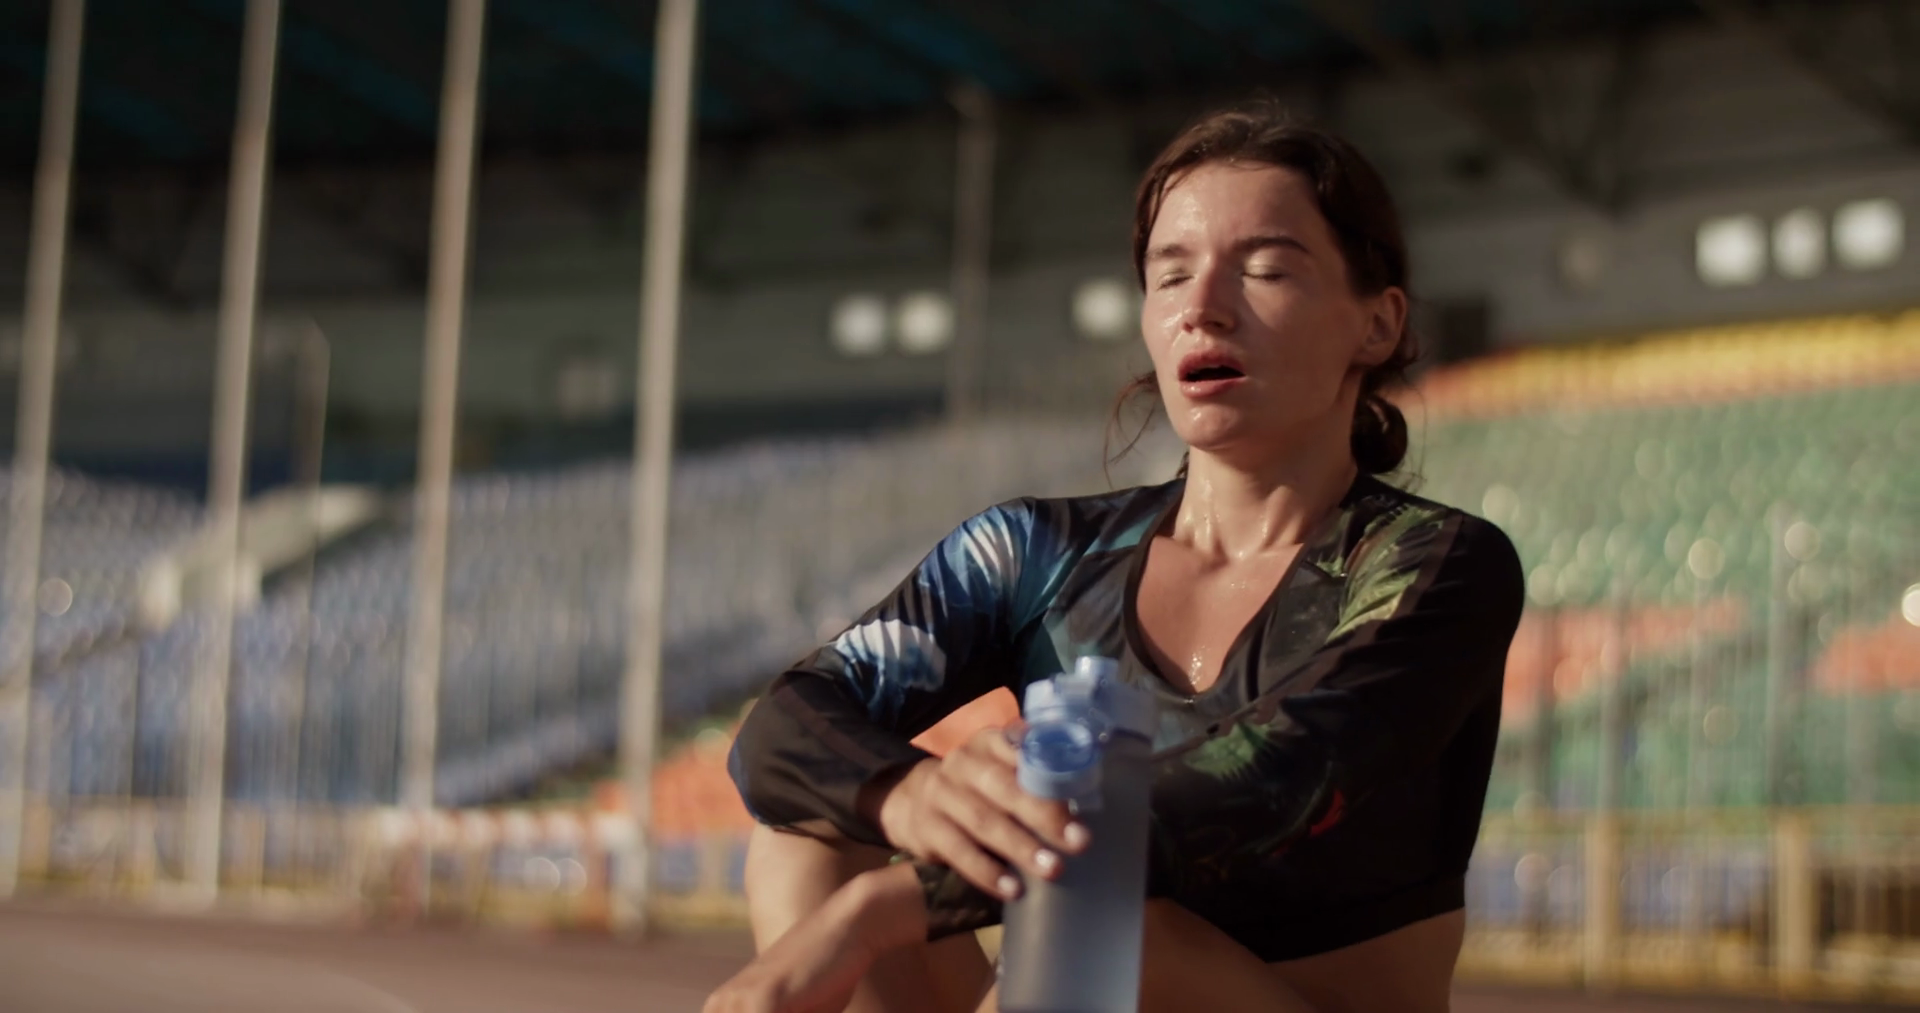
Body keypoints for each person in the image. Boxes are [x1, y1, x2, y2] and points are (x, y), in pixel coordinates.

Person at [706, 104, 1525, 1013]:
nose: (1202, 308)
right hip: (1077, 971)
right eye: (1169, 276)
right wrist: (908, 793)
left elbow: (1259, 782)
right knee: (809, 835)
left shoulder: (1439, 565)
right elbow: (783, 724)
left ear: (1375, 325)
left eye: (1263, 269)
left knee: (1117, 937)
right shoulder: (1037, 550)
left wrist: (878, 910)